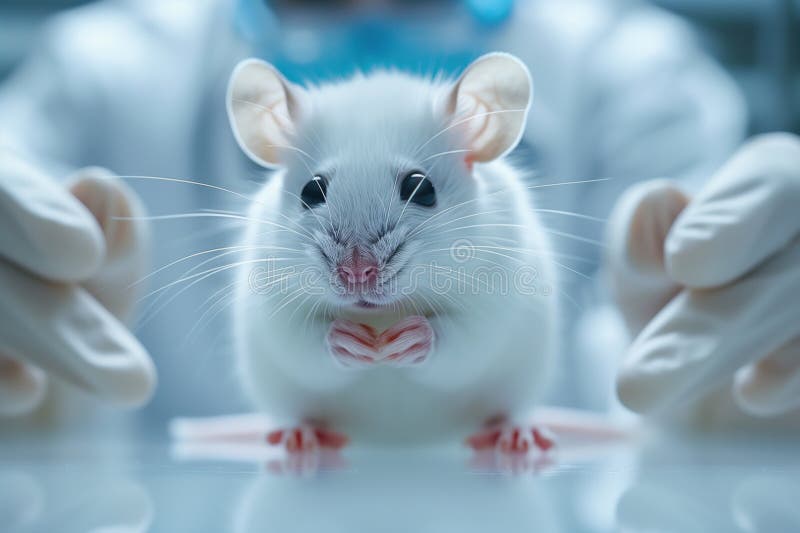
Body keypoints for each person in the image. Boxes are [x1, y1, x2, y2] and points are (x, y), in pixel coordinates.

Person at [1, 0, 794, 430]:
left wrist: (724, 328)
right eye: (310, 191)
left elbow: (701, 248)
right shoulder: (99, 66)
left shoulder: (628, 59)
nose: (359, 266)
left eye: (418, 190)